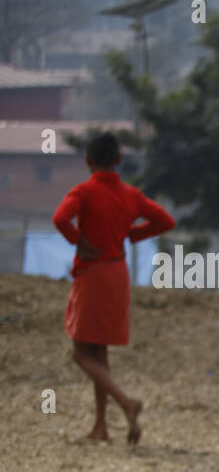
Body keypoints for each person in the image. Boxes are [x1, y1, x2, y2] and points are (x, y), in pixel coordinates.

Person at [52, 132, 175, 444]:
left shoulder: (84, 191)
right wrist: (131, 235)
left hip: (93, 274)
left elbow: (60, 218)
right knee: (99, 351)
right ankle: (100, 427)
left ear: (88, 161)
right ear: (118, 161)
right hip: (118, 273)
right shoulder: (131, 195)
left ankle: (126, 403)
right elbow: (165, 221)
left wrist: (79, 241)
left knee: (81, 353)